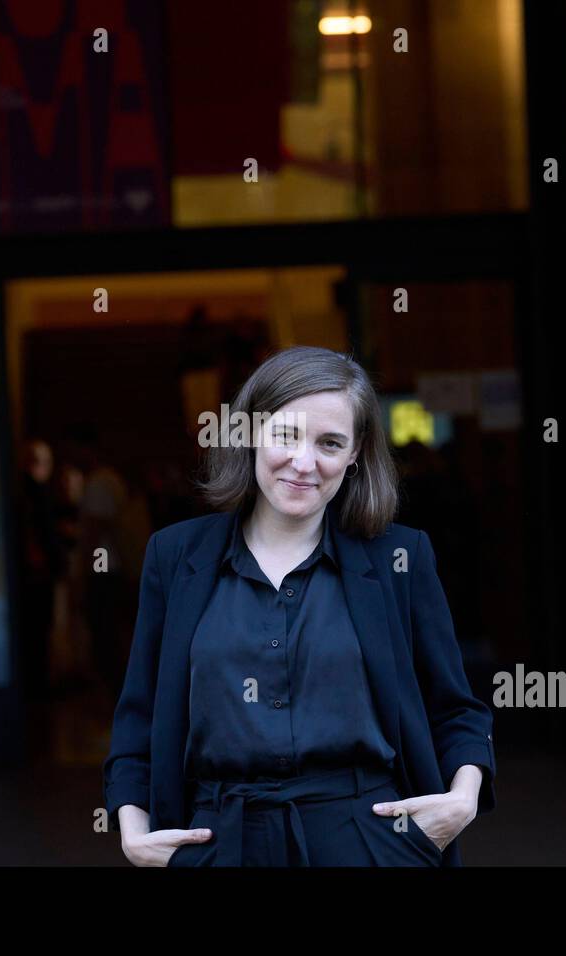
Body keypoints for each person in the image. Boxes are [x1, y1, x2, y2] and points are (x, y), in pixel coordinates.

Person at [101, 346, 497, 867]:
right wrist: (133, 831)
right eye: (286, 435)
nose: (304, 462)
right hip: (217, 843)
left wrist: (461, 801)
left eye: (330, 443)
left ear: (355, 454)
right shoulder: (176, 557)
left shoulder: (401, 557)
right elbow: (140, 714)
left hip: (370, 842)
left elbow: (456, 709)